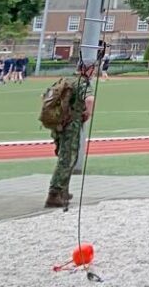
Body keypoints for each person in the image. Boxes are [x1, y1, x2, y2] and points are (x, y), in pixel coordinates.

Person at [43, 62, 95, 208]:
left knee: (63, 156)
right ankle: (54, 193)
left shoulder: (66, 80)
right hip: (71, 125)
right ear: (88, 70)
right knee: (68, 159)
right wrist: (88, 113)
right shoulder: (82, 83)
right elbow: (90, 99)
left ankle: (62, 190)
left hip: (59, 123)